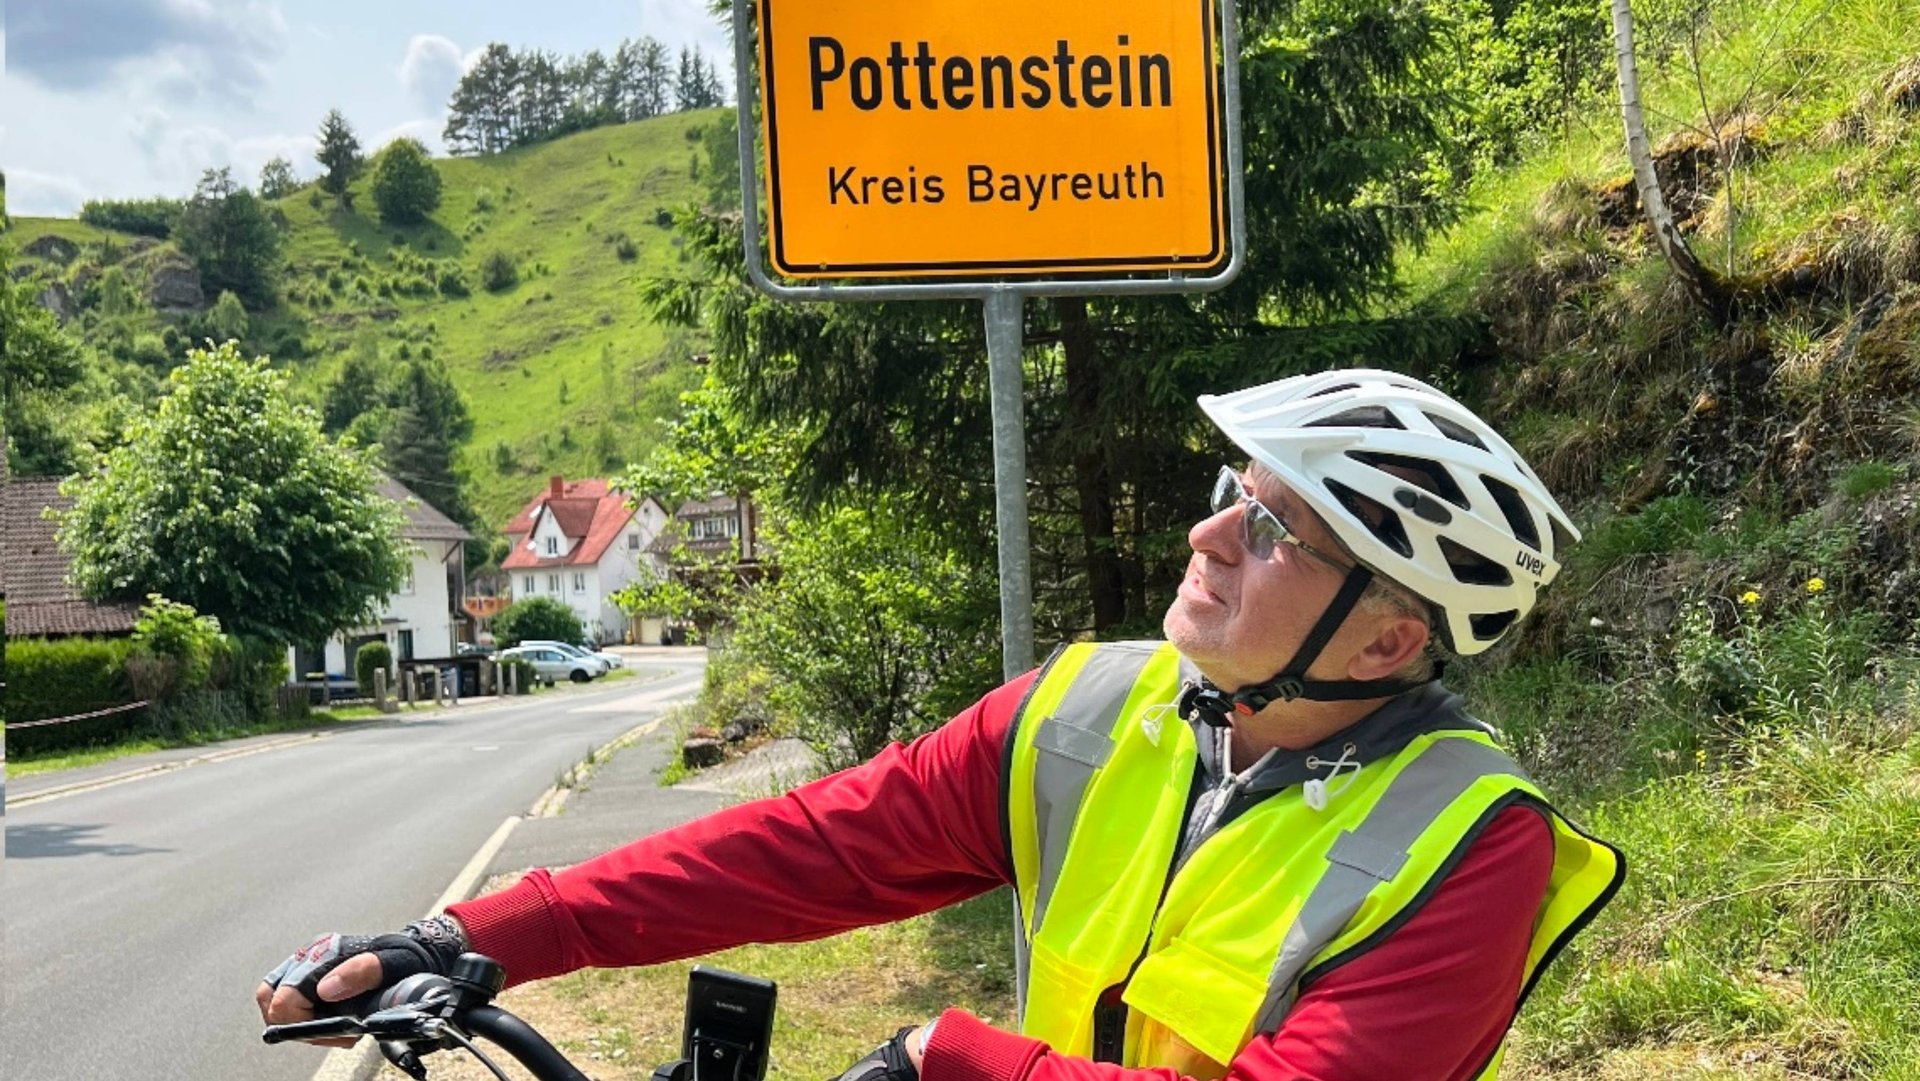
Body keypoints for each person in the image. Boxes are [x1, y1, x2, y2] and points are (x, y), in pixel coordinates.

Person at [260, 369, 1624, 1081]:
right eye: (1232, 488)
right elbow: (812, 847)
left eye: (1273, 530)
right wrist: (480, 932)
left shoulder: (1468, 846)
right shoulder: (1097, 706)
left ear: (1387, 640)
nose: (1208, 532)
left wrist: (950, 1056)